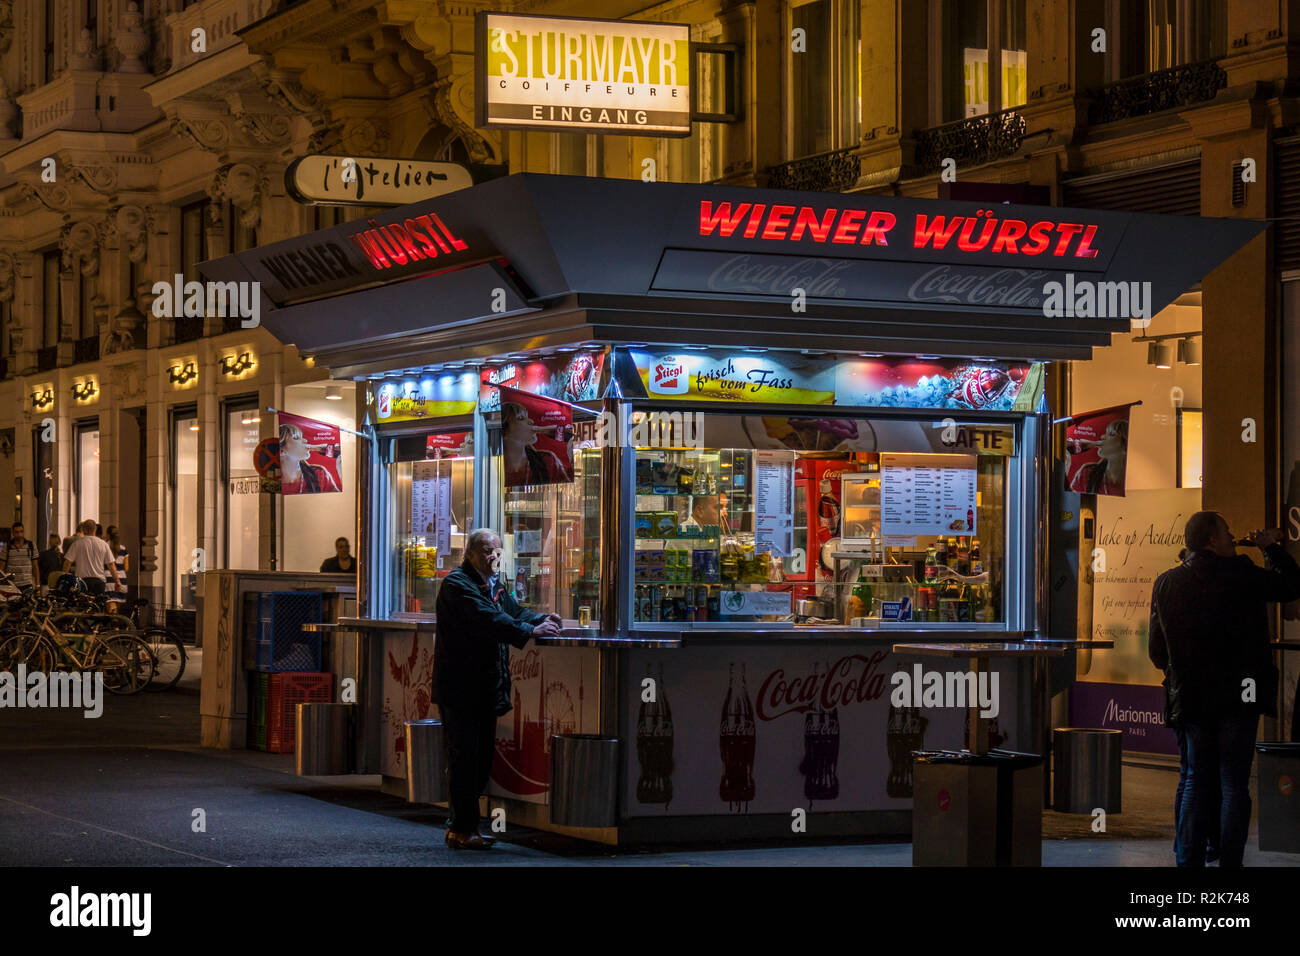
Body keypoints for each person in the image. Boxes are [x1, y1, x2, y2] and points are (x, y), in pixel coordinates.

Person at [1149, 513, 1300, 867]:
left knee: (1194, 780)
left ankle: (1188, 860)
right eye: (1228, 532)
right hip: (1240, 696)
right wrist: (1271, 548)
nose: (1234, 537)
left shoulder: (1167, 583)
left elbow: (1157, 651)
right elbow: (1292, 585)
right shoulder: (1243, 575)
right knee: (1234, 783)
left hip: (1192, 698)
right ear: (1212, 541)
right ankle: (1231, 861)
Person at [433, 528, 560, 850]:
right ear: (471, 554)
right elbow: (487, 619)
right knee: (465, 758)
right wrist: (531, 629)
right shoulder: (458, 584)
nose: (493, 557)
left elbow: (513, 612)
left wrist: (542, 619)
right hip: (462, 687)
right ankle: (462, 828)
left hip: (485, 686)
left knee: (479, 759)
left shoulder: (493, 584)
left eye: (496, 551)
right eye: (486, 551)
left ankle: (461, 826)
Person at [501, 402, 570, 486]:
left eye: (527, 417)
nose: (531, 421)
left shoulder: (548, 461)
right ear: (504, 431)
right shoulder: (495, 466)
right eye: (521, 418)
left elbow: (565, 491)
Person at [62, 519, 120, 595]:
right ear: (95, 529)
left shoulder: (77, 544)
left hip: (82, 581)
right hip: (99, 582)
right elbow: (111, 565)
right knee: (98, 605)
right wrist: (117, 581)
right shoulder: (103, 544)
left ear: (83, 529)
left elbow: (67, 562)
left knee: (82, 605)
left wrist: (64, 578)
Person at [279, 423, 341, 494]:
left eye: (302, 437)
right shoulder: (274, 481)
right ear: (281, 451)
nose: (305, 440)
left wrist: (341, 473)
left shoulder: (319, 473)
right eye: (296, 438)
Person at [0, 522, 37, 590]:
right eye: (16, 532)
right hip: (12, 585)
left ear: (24, 532)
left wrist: (38, 585)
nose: (19, 534)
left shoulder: (31, 545)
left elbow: (35, 566)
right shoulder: (7, 546)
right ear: (13, 533)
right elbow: (1, 566)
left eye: (21, 531)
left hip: (27, 583)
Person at [105, 526, 129, 596]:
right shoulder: (123, 549)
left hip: (109, 580)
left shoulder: (105, 547)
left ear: (108, 535)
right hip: (122, 581)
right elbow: (126, 568)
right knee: (118, 606)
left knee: (111, 605)